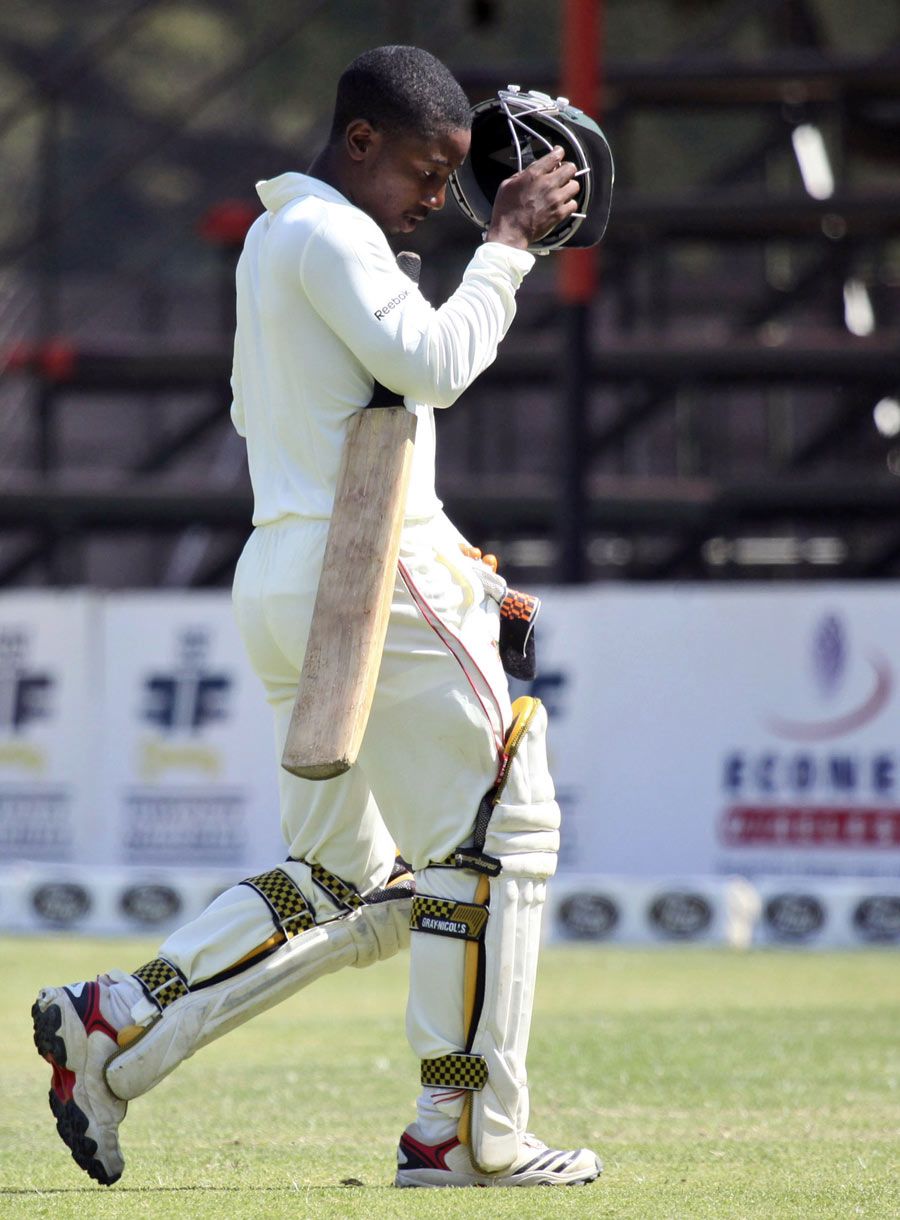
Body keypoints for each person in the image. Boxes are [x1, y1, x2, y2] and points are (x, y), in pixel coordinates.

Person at [32, 45, 601, 1190]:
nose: (442, 198)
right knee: (500, 835)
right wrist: (507, 247)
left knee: (343, 877)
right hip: (376, 569)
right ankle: (466, 1133)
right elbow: (436, 361)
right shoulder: (333, 234)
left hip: (295, 570)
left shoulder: (279, 239)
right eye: (428, 171)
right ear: (359, 143)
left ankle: (122, 1019)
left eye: (455, 180)